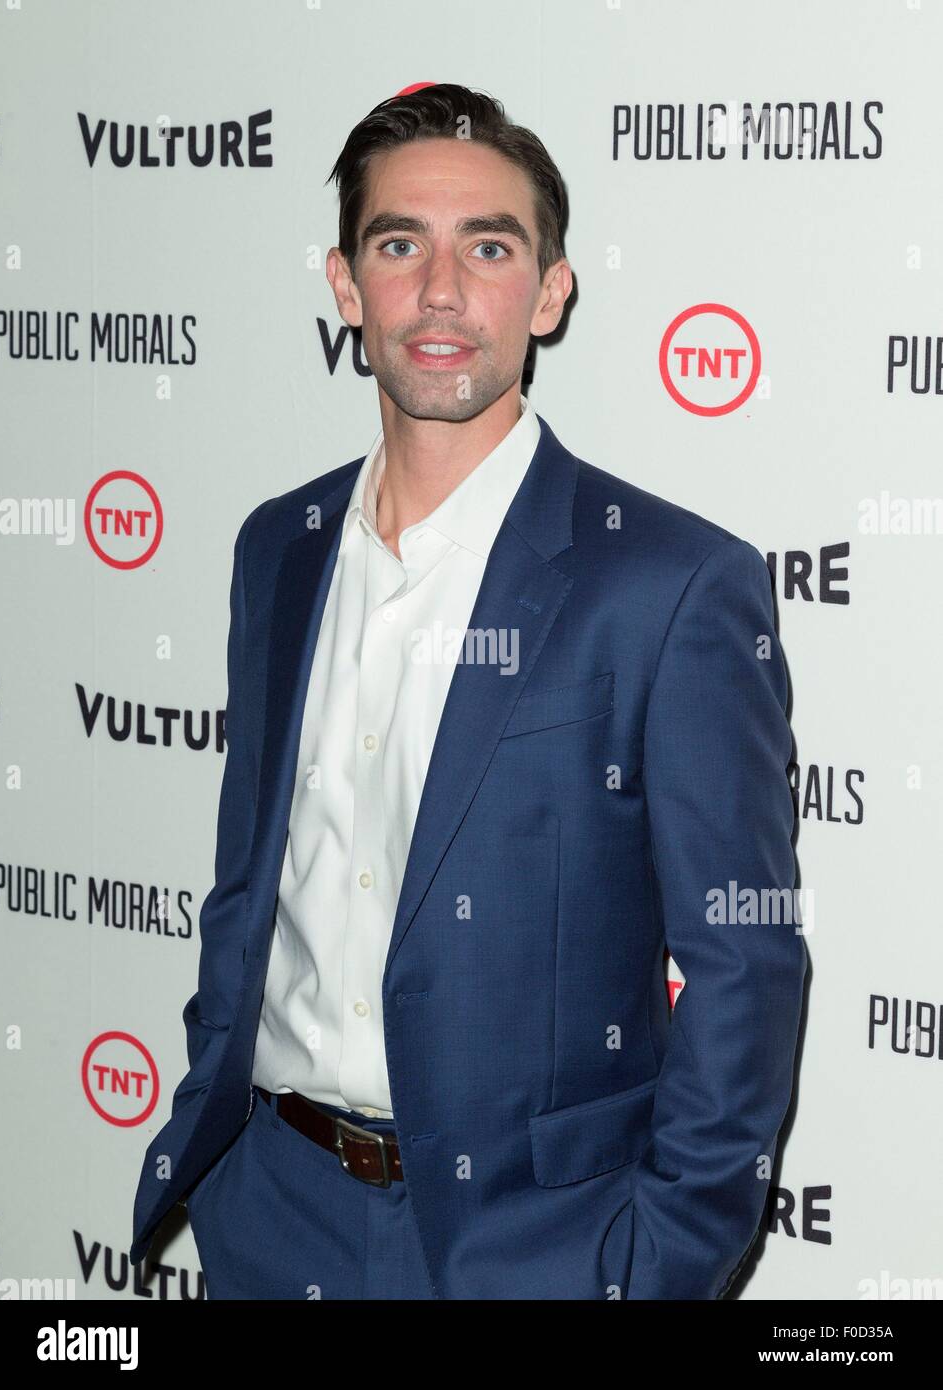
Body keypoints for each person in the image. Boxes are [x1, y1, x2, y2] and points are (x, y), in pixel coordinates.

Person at [130, 82, 806, 1300]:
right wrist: (218, 1149)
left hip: (532, 1250)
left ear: (548, 290)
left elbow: (743, 962)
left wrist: (652, 1265)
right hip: (267, 1214)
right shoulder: (274, 549)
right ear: (345, 283)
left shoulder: (667, 583)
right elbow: (251, 883)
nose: (440, 292)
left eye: (487, 246)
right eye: (400, 244)